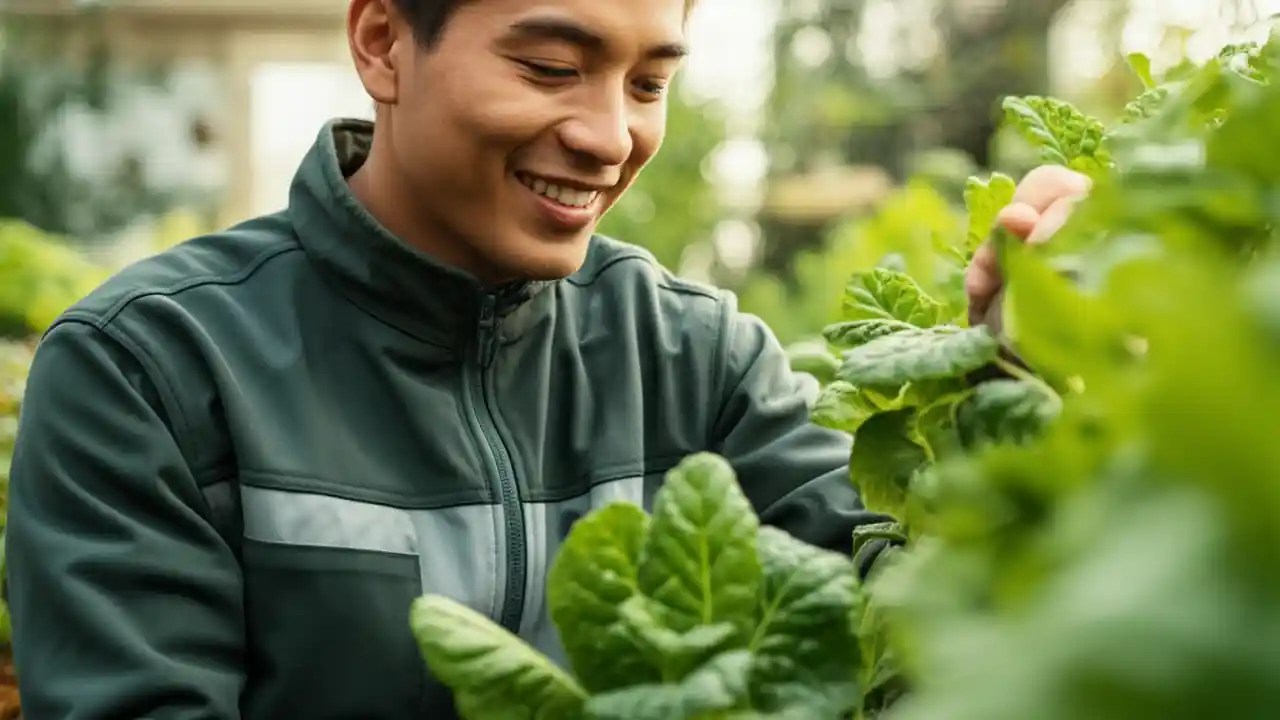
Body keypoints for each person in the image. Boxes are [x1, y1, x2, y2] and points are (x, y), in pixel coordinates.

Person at [3, 0, 1090, 717]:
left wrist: (1015, 387)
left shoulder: (694, 357)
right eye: (551, 67)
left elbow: (920, 629)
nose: (608, 134)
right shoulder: (148, 368)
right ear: (382, 41)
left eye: (647, 83)